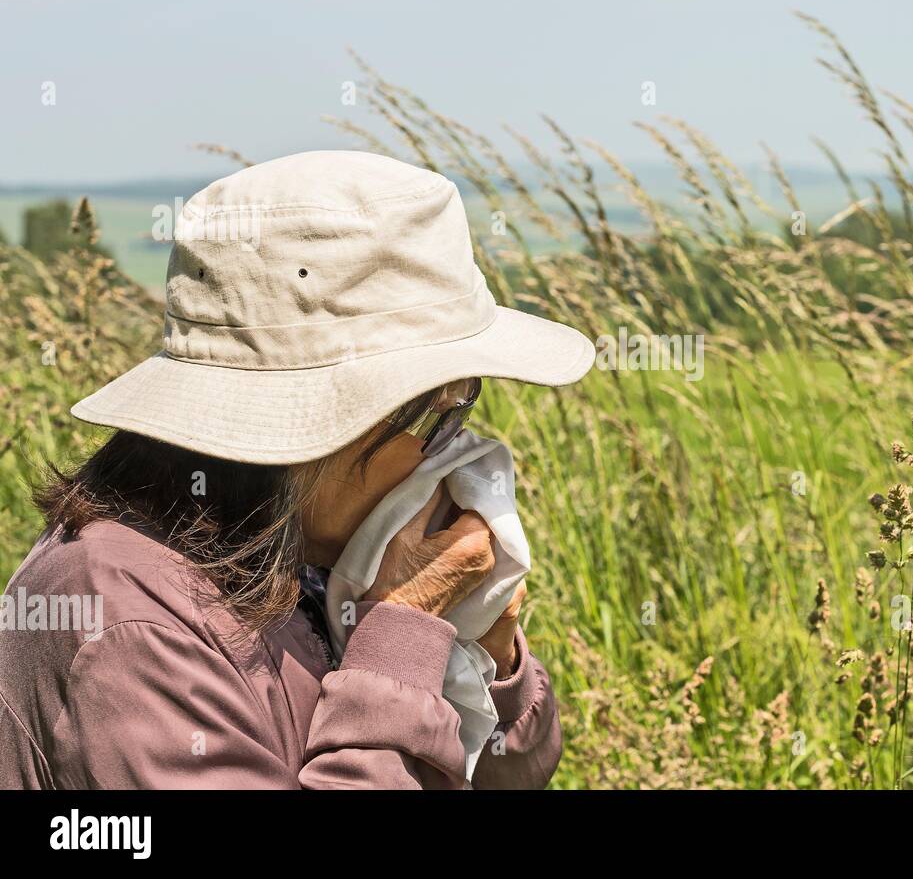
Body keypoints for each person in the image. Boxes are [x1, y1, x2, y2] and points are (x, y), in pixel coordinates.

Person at [0, 151, 594, 788]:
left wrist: (488, 646)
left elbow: (513, 778)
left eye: (464, 404)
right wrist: (400, 634)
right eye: (434, 418)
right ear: (324, 427)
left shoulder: (301, 548)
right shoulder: (126, 625)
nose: (455, 449)